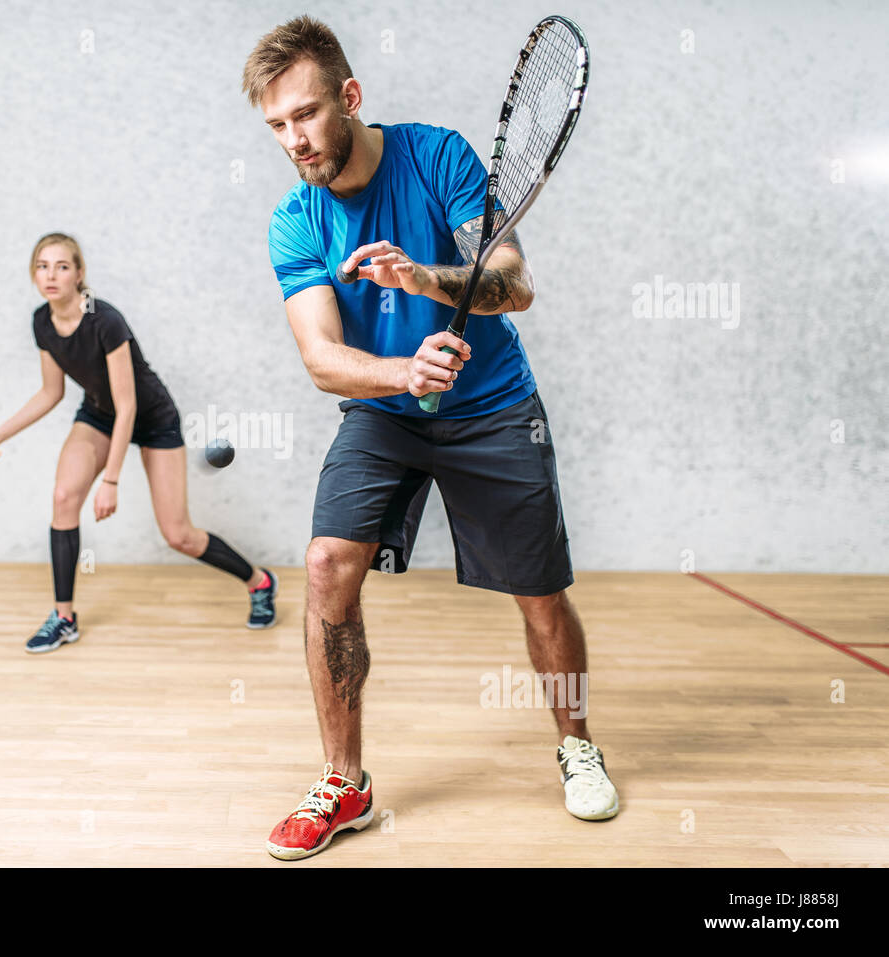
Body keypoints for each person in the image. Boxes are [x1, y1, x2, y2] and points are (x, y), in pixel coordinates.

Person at [242, 16, 618, 860]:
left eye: (305, 114)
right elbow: (324, 360)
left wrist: (422, 276)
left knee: (541, 590)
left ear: (349, 96)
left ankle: (577, 742)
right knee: (326, 562)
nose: (294, 139)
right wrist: (403, 372)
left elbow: (513, 284)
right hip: (385, 414)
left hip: (492, 405)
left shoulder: (438, 156)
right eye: (275, 126)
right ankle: (347, 782)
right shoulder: (295, 221)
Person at [0, 232, 277, 651]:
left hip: (152, 419)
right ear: (34, 275)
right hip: (98, 415)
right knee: (63, 497)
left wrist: (110, 480)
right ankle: (64, 617)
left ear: (80, 273)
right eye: (42, 266)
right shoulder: (42, 321)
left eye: (62, 266)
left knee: (178, 535)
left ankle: (260, 582)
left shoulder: (104, 320)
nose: (51, 275)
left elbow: (128, 406)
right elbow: (50, 392)